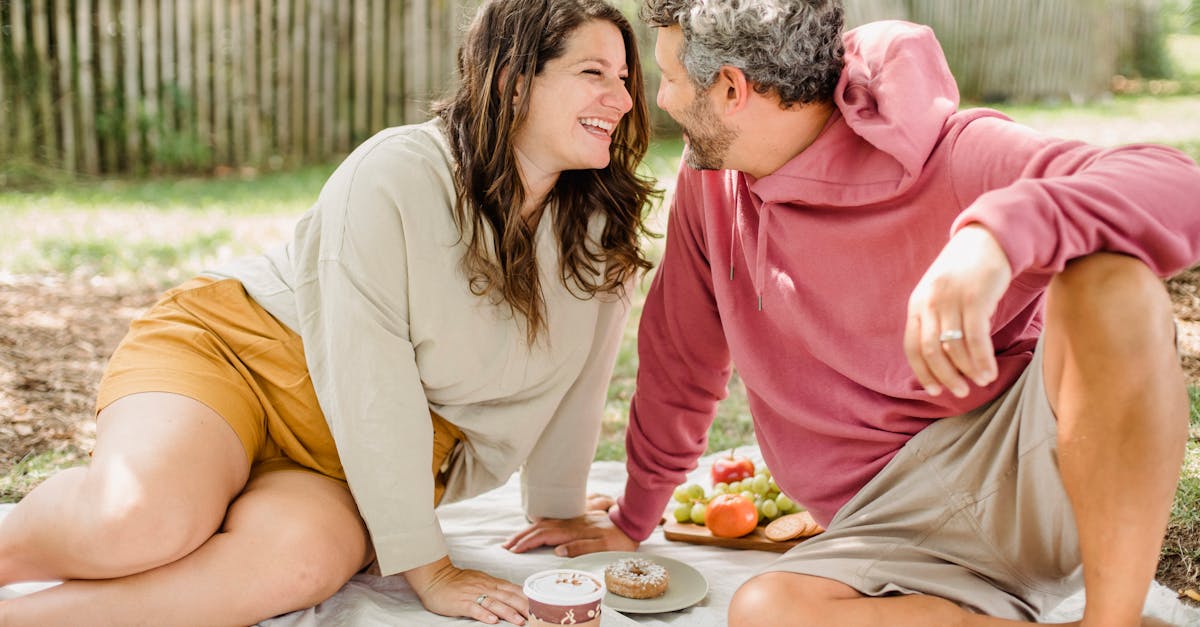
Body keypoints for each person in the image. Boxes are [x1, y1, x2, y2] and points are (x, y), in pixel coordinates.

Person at [504, 1, 1200, 624]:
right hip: (885, 532)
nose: (660, 100)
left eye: (672, 78)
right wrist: (633, 517)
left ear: (732, 89)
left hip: (1033, 467)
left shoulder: (950, 151)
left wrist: (992, 236)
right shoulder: (709, 185)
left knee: (1111, 279)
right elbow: (679, 357)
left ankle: (1113, 620)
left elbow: (1175, 182)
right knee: (765, 612)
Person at [0, 0, 656, 624]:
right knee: (142, 521)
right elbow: (368, 375)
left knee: (300, 564)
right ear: (513, 82)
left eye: (625, 78)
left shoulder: (600, 232)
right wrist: (429, 568)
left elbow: (581, 379)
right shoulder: (395, 174)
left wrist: (558, 508)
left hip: (352, 455)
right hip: (241, 355)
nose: (623, 100)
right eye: (592, 73)